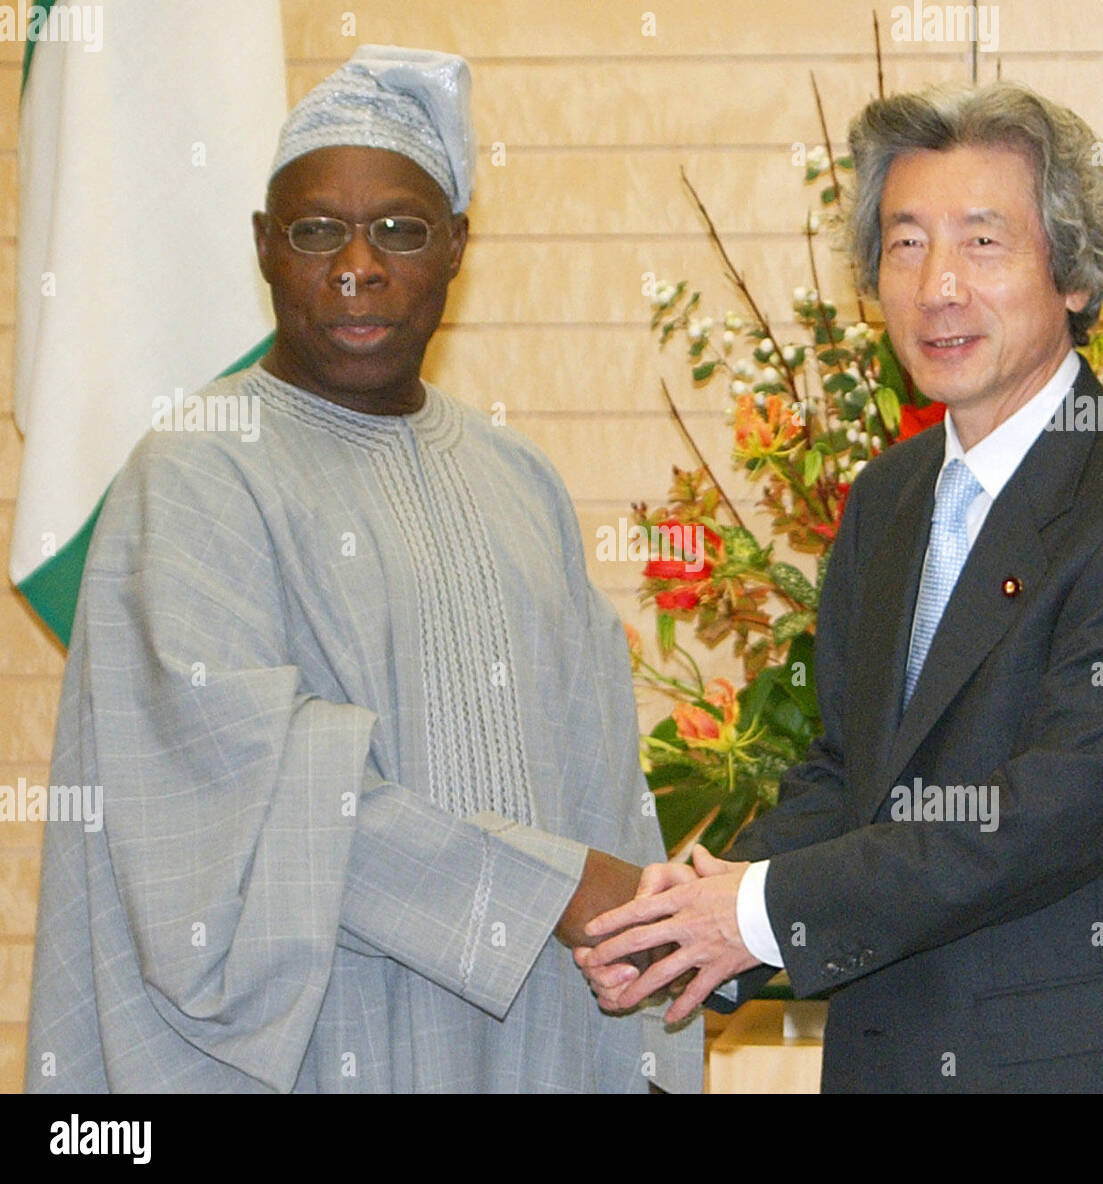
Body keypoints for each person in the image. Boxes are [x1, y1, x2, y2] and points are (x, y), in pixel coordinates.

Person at [25, 45, 700, 1094]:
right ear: (263, 246)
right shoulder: (195, 474)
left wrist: (644, 1028)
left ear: (457, 247)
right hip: (308, 1044)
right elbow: (254, 787)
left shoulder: (517, 476)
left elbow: (600, 779)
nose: (358, 264)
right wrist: (552, 889)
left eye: (399, 228)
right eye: (316, 229)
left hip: (531, 1042)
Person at [577, 82, 1103, 1093]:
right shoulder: (887, 498)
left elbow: (1043, 814)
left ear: (1071, 274)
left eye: (983, 243)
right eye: (904, 244)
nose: (938, 285)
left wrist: (758, 908)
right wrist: (694, 912)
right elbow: (847, 773)